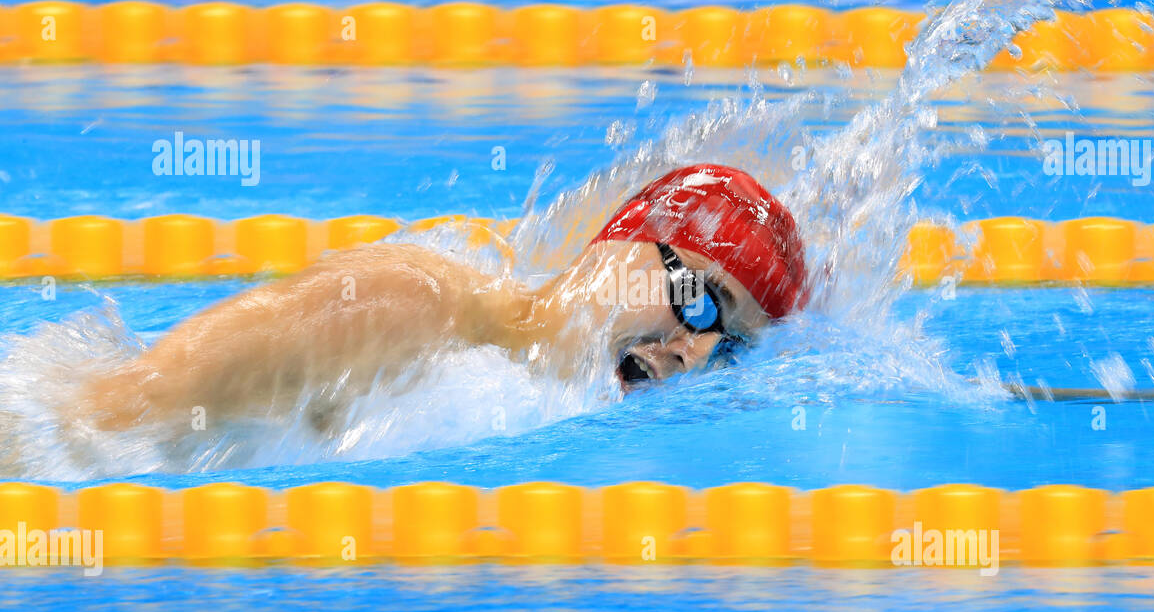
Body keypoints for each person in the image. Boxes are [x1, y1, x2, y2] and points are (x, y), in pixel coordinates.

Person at [75, 164, 808, 432]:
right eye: (698, 298)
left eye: (730, 344)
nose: (694, 349)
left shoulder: (530, 403)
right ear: (615, 244)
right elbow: (103, 417)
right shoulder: (411, 305)